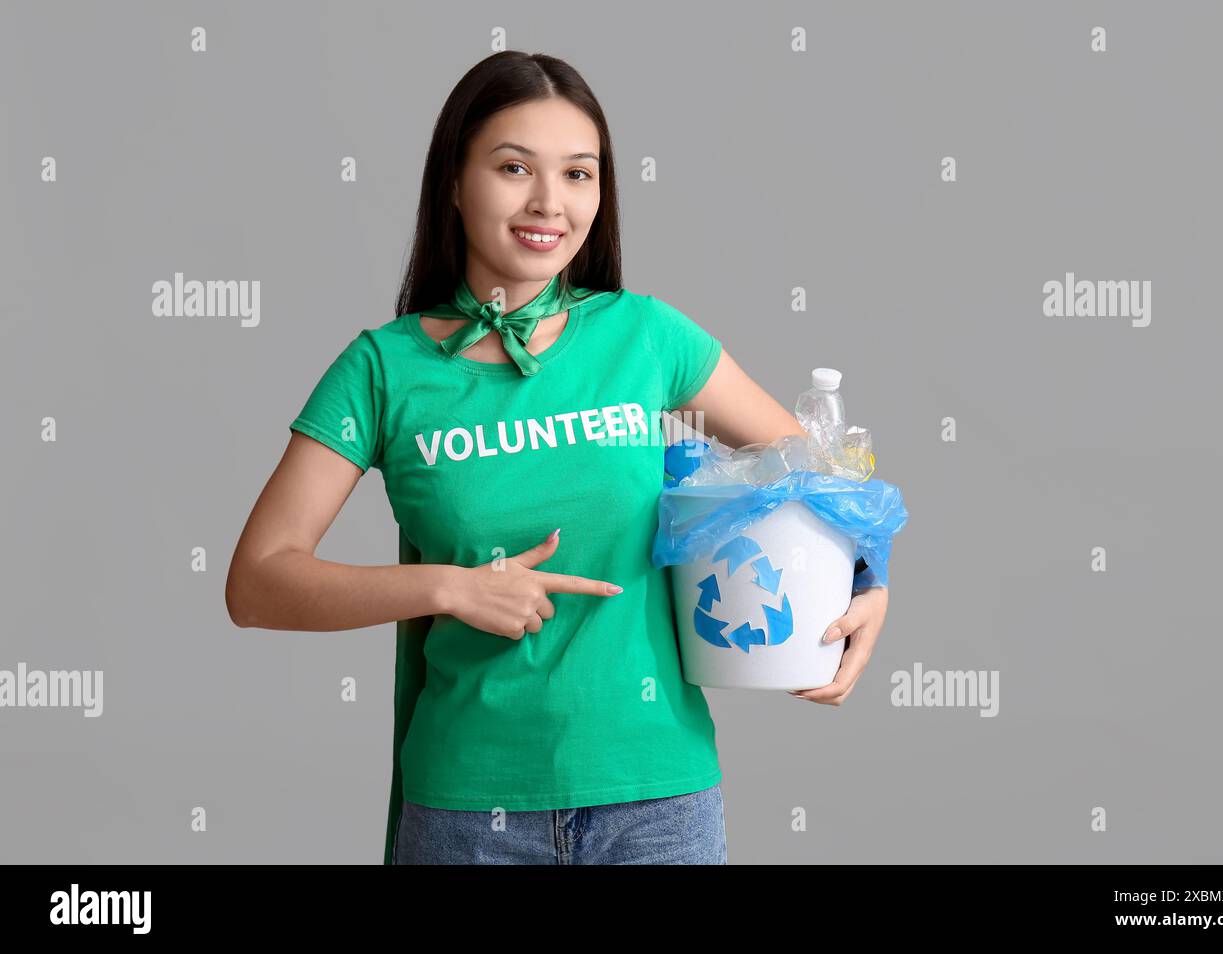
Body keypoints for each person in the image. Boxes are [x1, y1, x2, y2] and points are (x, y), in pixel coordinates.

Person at [224, 50, 890, 865]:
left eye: (579, 174)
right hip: (469, 813)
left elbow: (815, 475)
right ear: (455, 184)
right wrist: (450, 588)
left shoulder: (648, 337)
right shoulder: (382, 369)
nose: (550, 202)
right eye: (514, 168)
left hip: (659, 802)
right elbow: (257, 581)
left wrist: (868, 580)